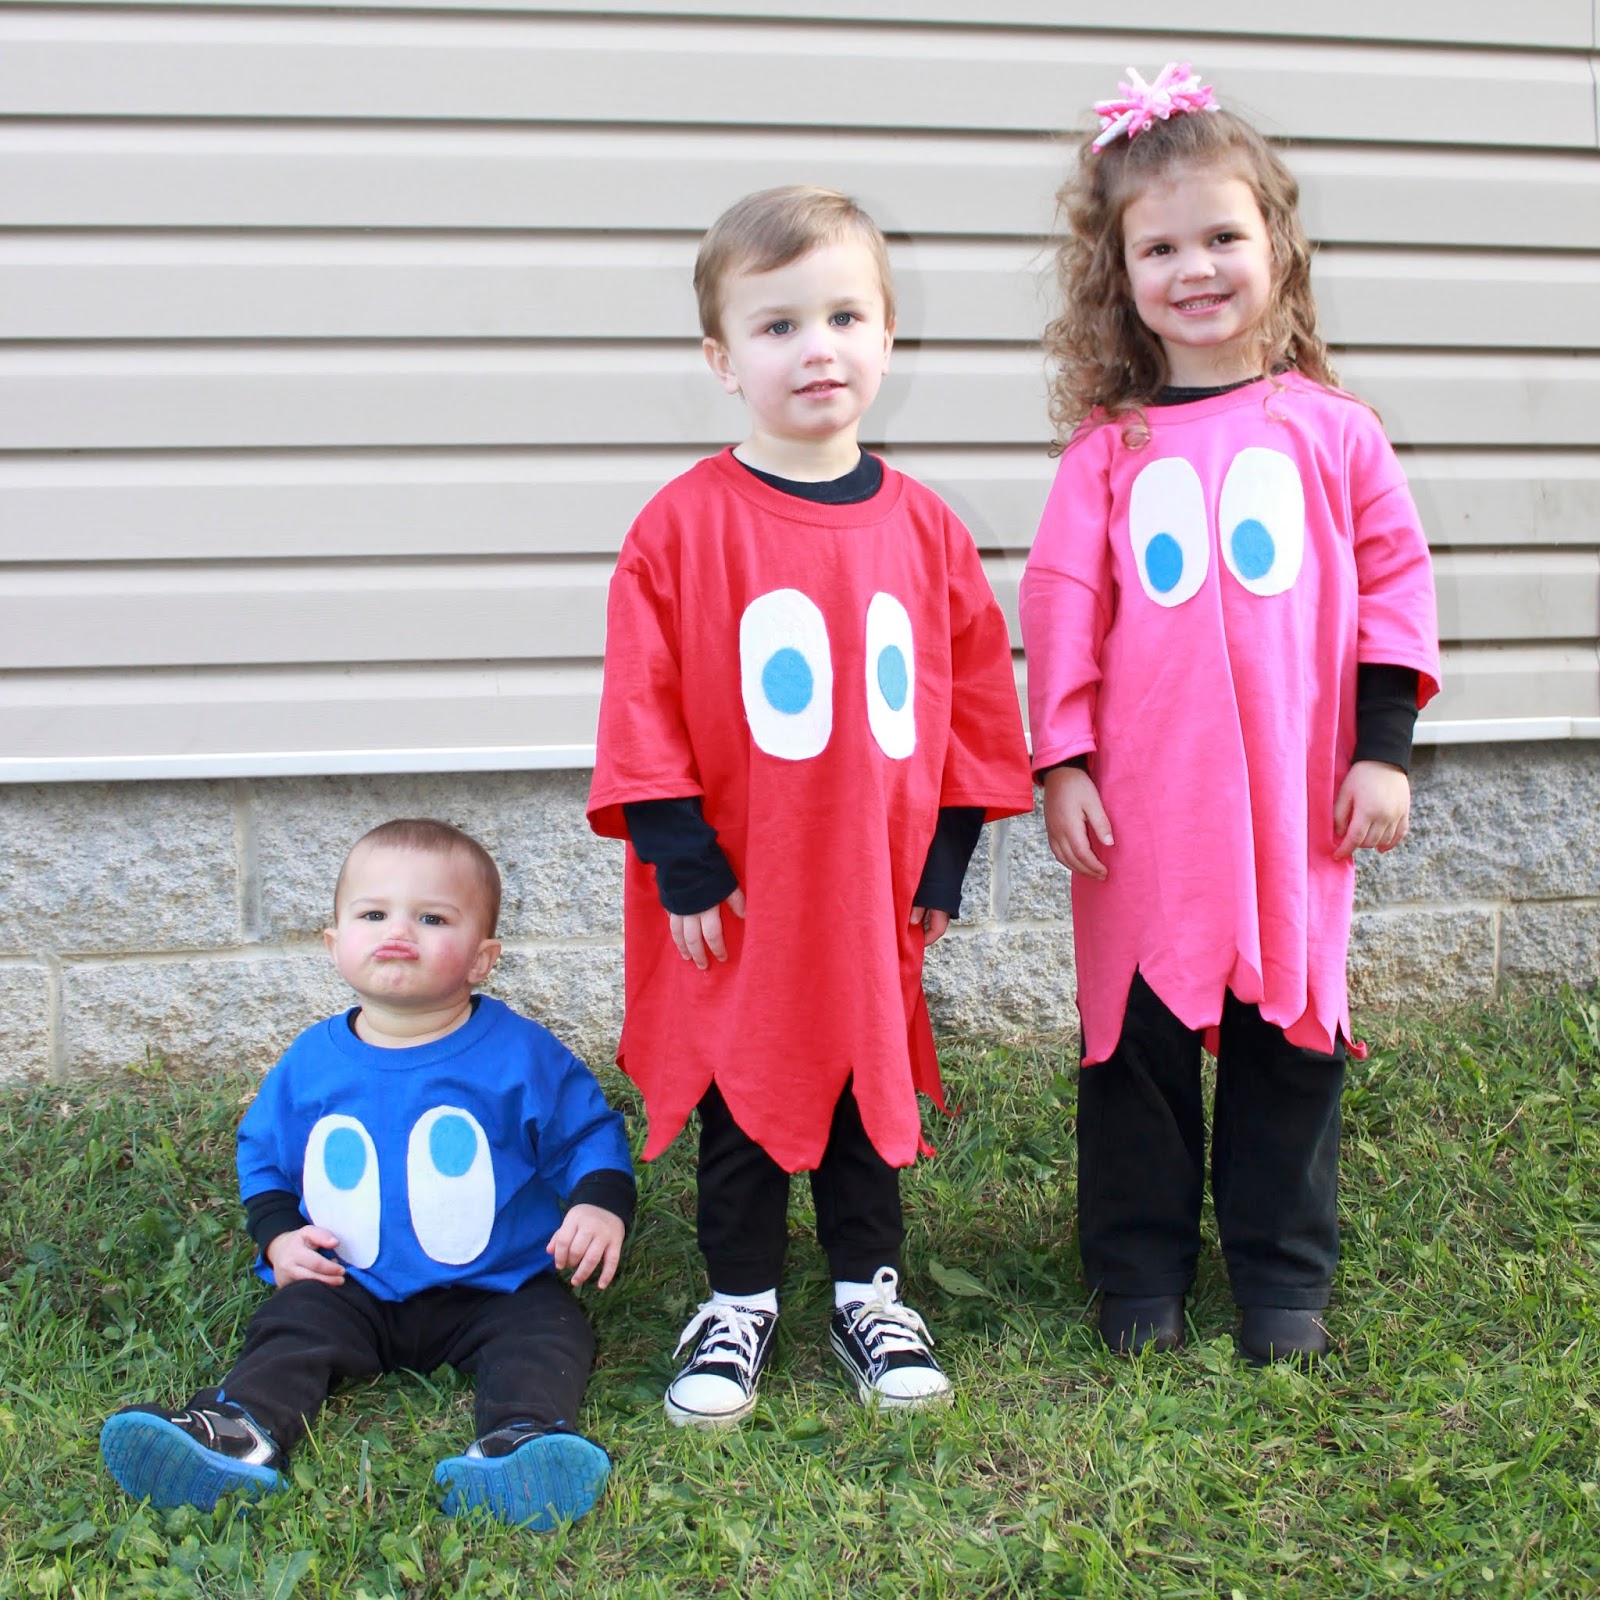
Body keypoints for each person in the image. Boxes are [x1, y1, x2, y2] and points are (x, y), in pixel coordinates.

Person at [587, 185, 1033, 1425]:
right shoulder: (682, 527)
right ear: (722, 361)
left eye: (844, 315)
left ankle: (865, 1287)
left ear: (888, 337)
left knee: (859, 1087)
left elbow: (970, 707)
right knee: (741, 1081)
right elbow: (645, 697)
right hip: (733, 881)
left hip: (867, 883)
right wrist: (678, 854)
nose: (817, 347)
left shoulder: (928, 530)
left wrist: (943, 857)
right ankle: (735, 1298)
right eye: (777, 325)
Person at [1018, 67, 1440, 1365]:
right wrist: (1065, 762)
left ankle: (1280, 1282)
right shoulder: (1108, 451)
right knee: (1135, 1059)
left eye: (1221, 237)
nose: (1194, 269)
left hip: (1294, 816)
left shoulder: (1335, 434)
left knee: (1286, 1050)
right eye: (1159, 247)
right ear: (1119, 271)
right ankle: (1138, 1277)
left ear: (1276, 245)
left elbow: (1393, 595)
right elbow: (1063, 607)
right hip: (1147, 823)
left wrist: (1381, 751)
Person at [100, 818, 635, 1528]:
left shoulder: (519, 1055)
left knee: (548, 1336)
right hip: (348, 1286)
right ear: (334, 943)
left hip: (498, 1287)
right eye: (373, 913)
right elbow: (263, 1153)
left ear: (482, 958)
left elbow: (588, 1132)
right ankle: (236, 1432)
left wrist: (598, 1204)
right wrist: (278, 1236)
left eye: (433, 917)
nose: (399, 931)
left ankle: (523, 1441)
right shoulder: (310, 1064)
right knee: (291, 1328)